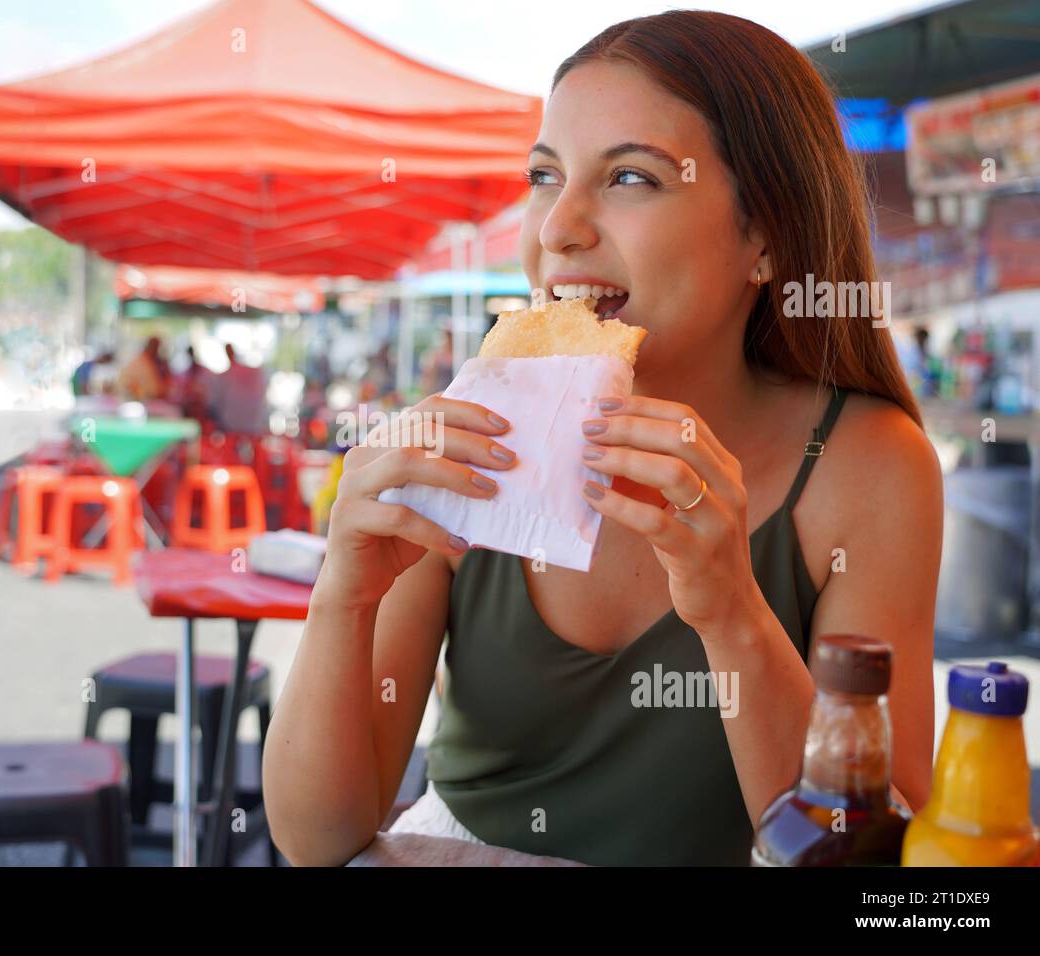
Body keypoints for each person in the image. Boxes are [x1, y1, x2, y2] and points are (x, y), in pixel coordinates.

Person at [263, 11, 941, 867]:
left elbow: (876, 854)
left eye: (630, 177)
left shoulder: (866, 464)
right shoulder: (467, 443)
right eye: (544, 176)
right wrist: (343, 596)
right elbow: (314, 837)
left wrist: (732, 610)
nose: (558, 227)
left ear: (765, 236)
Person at [208, 343, 268, 434]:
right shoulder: (254, 372)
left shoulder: (226, 376)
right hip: (250, 428)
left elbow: (214, 401)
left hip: (233, 428)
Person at [117, 336, 172, 401]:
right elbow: (155, 390)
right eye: (155, 347)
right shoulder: (141, 363)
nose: (157, 351)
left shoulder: (152, 362)